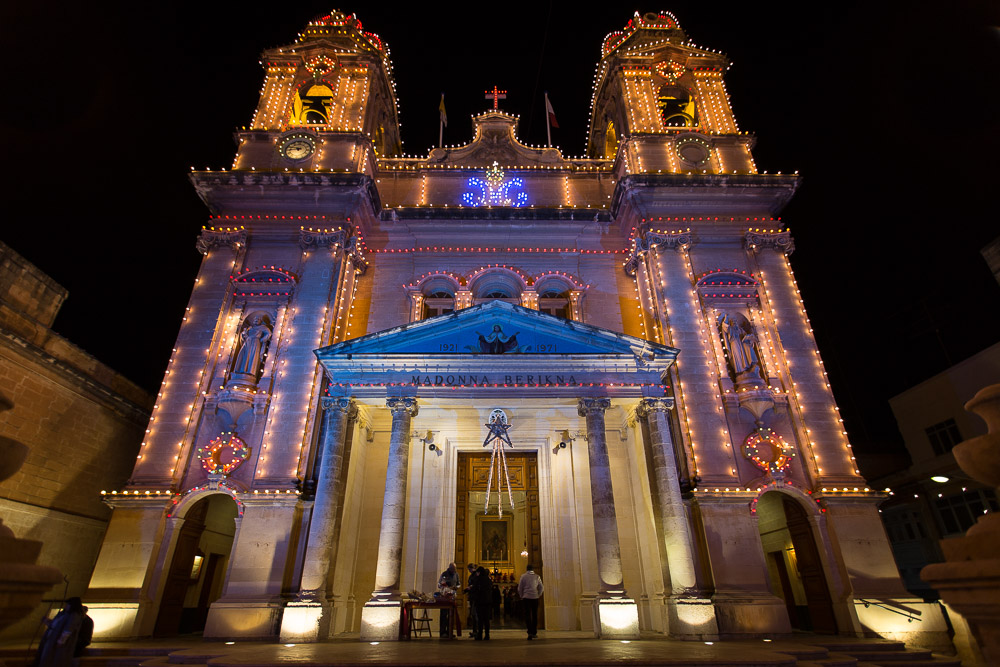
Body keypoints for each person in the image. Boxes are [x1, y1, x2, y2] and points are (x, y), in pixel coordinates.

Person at [36, 597, 92, 667]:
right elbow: (56, 625)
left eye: (68, 605)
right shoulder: (64, 614)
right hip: (53, 639)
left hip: (60, 643)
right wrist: (47, 621)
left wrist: (61, 641)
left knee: (56, 660)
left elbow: (68, 629)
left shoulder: (74, 616)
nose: (66, 606)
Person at [517, 564, 543, 640]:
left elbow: (520, 588)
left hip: (526, 598)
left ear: (527, 569)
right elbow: (541, 587)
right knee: (534, 615)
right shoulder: (537, 576)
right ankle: (534, 632)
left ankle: (530, 632)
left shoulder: (523, 576)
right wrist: (538, 594)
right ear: (533, 569)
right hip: (535, 597)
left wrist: (521, 595)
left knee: (527, 615)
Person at [469, 566, 493, 640]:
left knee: (480, 619)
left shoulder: (478, 579)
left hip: (479, 601)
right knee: (486, 619)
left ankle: (480, 635)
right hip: (487, 602)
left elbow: (475, 589)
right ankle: (487, 635)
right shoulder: (488, 580)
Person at [438, 562, 460, 638]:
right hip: (444, 597)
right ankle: (442, 632)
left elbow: (458, 583)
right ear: (450, 568)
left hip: (452, 596)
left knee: (451, 615)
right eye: (453, 569)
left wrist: (456, 587)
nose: (454, 570)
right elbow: (439, 584)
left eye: (454, 569)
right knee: (444, 615)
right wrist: (444, 586)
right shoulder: (444, 574)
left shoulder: (456, 574)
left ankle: (450, 631)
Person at [464, 563, 478, 638]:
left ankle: (476, 631)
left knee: (474, 614)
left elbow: (475, 584)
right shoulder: (472, 575)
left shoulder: (476, 575)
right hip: (472, 596)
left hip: (475, 597)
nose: (469, 570)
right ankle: (474, 630)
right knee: (473, 614)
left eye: (469, 569)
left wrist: (470, 587)